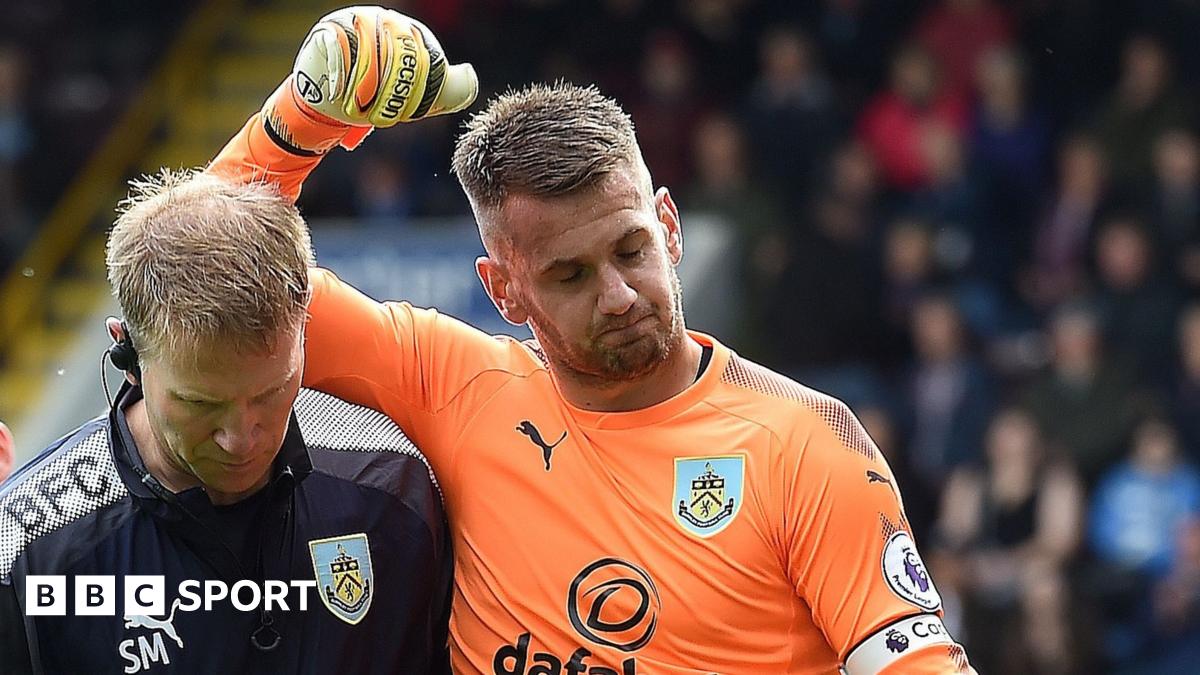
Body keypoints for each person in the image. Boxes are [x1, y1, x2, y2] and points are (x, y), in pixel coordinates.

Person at [208, 6, 975, 672]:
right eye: (570, 276)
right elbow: (202, 265)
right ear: (503, 289)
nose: (617, 295)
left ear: (668, 226)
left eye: (632, 250)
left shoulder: (805, 443)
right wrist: (299, 121)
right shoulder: (450, 381)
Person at [0, 168, 452, 673]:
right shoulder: (21, 545)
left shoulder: (394, 482)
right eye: (200, 403)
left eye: (271, 392)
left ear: (306, 332)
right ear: (127, 351)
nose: (241, 439)